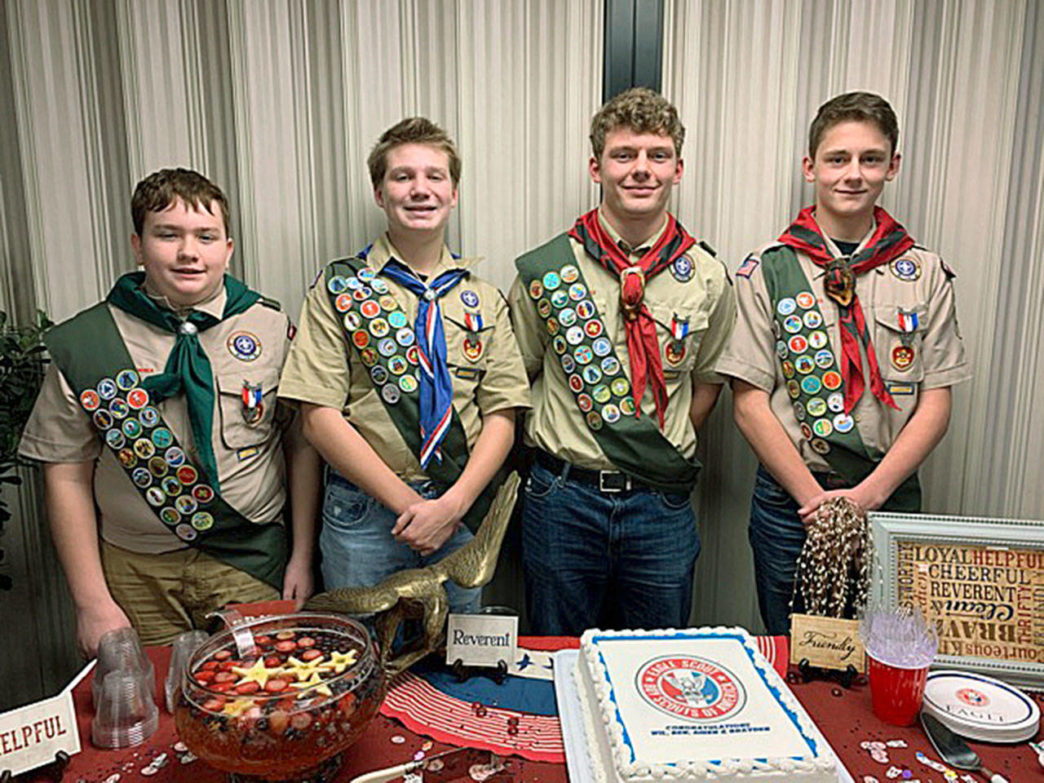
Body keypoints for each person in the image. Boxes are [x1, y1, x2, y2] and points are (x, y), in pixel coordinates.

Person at [19, 168, 320, 656]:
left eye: (205, 236)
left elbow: (301, 444)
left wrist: (304, 555)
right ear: (138, 245)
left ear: (228, 247)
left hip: (249, 560)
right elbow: (66, 475)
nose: (188, 252)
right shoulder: (90, 343)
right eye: (168, 234)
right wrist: (91, 602)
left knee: (261, 704)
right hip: (136, 572)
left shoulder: (269, 326)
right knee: (157, 709)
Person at [715, 92, 970, 634]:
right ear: (811, 167)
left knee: (879, 652)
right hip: (793, 503)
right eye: (837, 159)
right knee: (793, 653)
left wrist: (864, 499)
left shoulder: (923, 274)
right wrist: (820, 505)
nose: (853, 174)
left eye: (870, 159)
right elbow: (748, 402)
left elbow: (936, 401)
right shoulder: (768, 269)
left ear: (892, 166)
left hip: (887, 498)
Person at [507, 87, 736, 635]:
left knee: (658, 665)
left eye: (657, 156)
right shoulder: (548, 270)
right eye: (624, 155)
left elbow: (708, 383)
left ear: (678, 169)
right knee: (555, 658)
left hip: (659, 503)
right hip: (563, 497)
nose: (641, 170)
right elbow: (517, 378)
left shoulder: (706, 275)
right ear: (596, 167)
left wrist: (648, 447)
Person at [278, 118, 530, 613]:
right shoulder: (341, 290)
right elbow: (319, 418)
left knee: (453, 660)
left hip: (459, 510)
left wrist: (451, 507)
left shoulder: (484, 299)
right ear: (379, 191)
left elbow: (503, 415)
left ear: (454, 193)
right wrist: (411, 508)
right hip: (364, 515)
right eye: (403, 177)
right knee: (363, 659)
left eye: (434, 177)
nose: (420, 189)